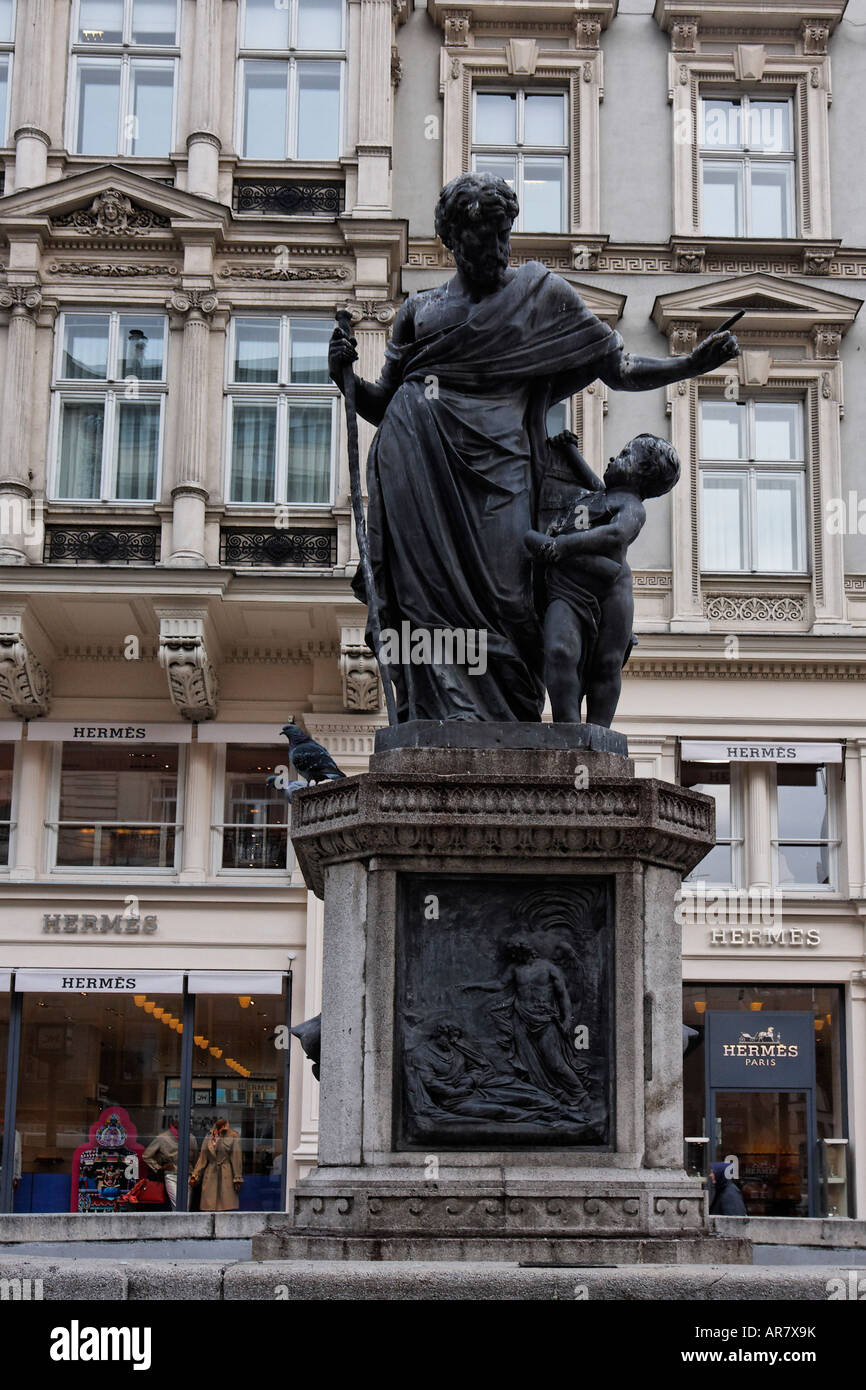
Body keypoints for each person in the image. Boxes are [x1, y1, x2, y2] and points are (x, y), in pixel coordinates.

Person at [329, 170, 738, 723]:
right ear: (452, 242)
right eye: (481, 239)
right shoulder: (418, 312)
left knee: (511, 596)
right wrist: (344, 379)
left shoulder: (542, 295)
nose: (497, 250)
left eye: (504, 235)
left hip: (503, 467)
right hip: (416, 466)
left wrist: (688, 366)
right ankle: (438, 718)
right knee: (423, 599)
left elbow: (616, 366)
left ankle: (509, 719)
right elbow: (381, 402)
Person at [525, 430, 680, 726]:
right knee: (559, 650)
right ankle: (567, 729)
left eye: (623, 456)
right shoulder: (600, 496)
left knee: (607, 664)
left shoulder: (632, 508)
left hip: (611, 592)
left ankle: (599, 733)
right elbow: (592, 482)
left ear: (642, 472)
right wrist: (570, 452)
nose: (613, 458)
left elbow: (616, 533)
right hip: (567, 587)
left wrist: (565, 545)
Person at [189, 1118, 243, 1212]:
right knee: (208, 1207)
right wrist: (195, 1175)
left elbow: (236, 1158)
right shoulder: (209, 1136)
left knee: (225, 1208)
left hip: (226, 1173)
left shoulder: (233, 1135)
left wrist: (237, 1178)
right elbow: (202, 1158)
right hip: (210, 1174)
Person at [143, 1122, 197, 1211]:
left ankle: (182, 1224)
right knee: (177, 1205)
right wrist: (159, 1167)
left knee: (186, 1206)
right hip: (171, 1175)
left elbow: (195, 1159)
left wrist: (195, 1175)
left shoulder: (191, 1138)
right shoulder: (163, 1138)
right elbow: (147, 1156)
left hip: (188, 1175)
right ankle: (177, 1223)